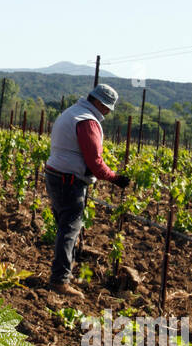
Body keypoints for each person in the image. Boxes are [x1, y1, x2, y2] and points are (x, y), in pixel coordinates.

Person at [44, 83, 130, 296]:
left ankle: (64, 275)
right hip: (68, 181)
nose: (108, 112)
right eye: (107, 107)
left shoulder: (71, 112)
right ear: (98, 102)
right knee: (69, 231)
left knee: (65, 228)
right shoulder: (87, 122)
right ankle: (60, 281)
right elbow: (94, 161)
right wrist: (115, 178)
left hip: (55, 174)